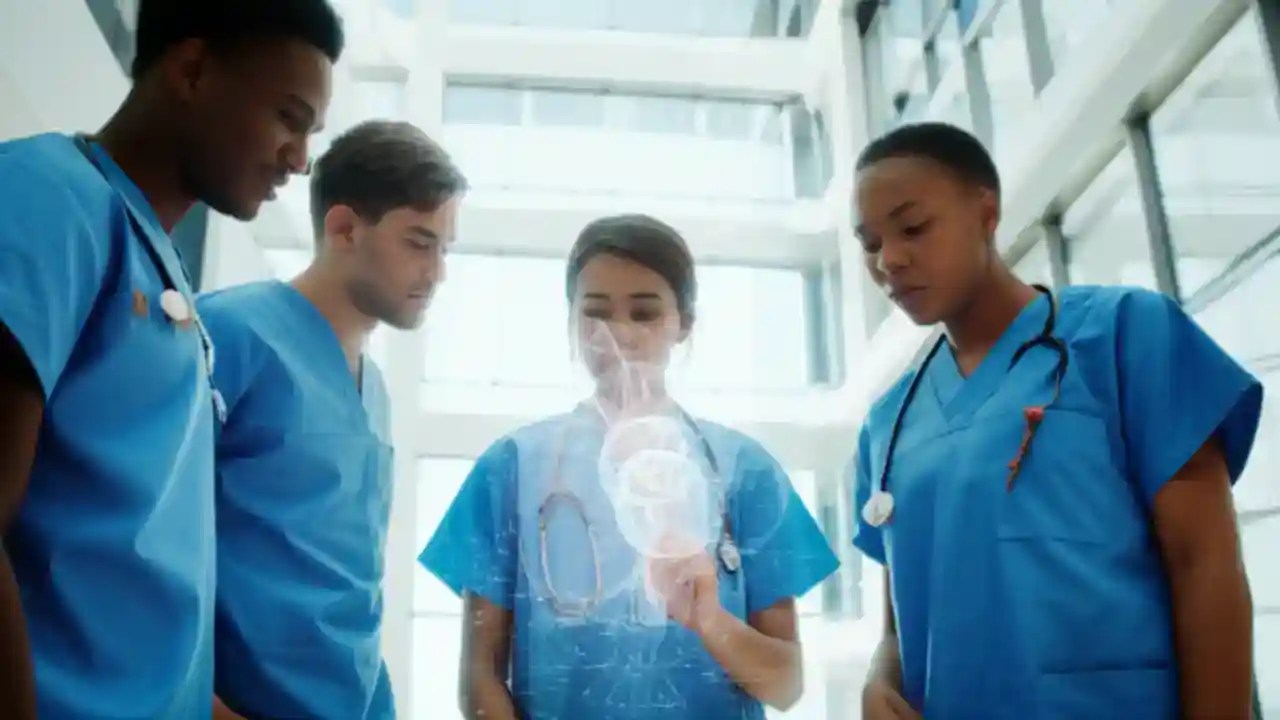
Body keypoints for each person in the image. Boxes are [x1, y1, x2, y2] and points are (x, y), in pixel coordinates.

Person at [850, 122, 1262, 719]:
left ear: (985, 213)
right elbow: (903, 624)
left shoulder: (1125, 334)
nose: (889, 259)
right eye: (869, 243)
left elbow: (1205, 564)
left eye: (914, 227)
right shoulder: (889, 423)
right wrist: (877, 678)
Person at [0, 1, 342, 718]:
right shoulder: (43, 197)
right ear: (191, 70)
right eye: (288, 117)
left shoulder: (167, 281)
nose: (300, 158)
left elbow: (130, 582)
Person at [419, 214, 840, 720]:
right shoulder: (511, 467)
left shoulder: (744, 471)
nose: (618, 334)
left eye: (644, 313)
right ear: (572, 322)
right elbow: (480, 676)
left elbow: (786, 685)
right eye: (595, 314)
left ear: (683, 323)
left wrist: (709, 619)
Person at [198, 119, 466, 720]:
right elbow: (147, 537)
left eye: (445, 249)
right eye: (419, 243)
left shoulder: (376, 395)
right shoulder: (228, 336)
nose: (437, 272)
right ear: (344, 228)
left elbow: (350, 590)